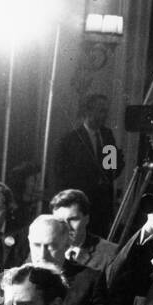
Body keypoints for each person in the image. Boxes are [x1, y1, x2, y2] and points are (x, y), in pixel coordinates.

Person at [24, 213, 116, 305]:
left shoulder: (91, 281)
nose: (42, 254)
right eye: (37, 245)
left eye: (51, 246)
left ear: (67, 245)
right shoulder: (10, 277)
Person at [54, 93, 120, 235]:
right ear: (88, 111)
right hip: (80, 208)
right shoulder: (70, 140)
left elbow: (111, 169)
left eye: (106, 111)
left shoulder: (108, 135)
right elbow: (62, 176)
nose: (105, 115)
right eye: (101, 110)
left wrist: (117, 163)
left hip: (102, 209)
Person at [51, 187, 118, 272]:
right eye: (60, 221)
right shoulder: (42, 248)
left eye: (73, 219)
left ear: (86, 219)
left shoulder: (111, 254)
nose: (67, 227)